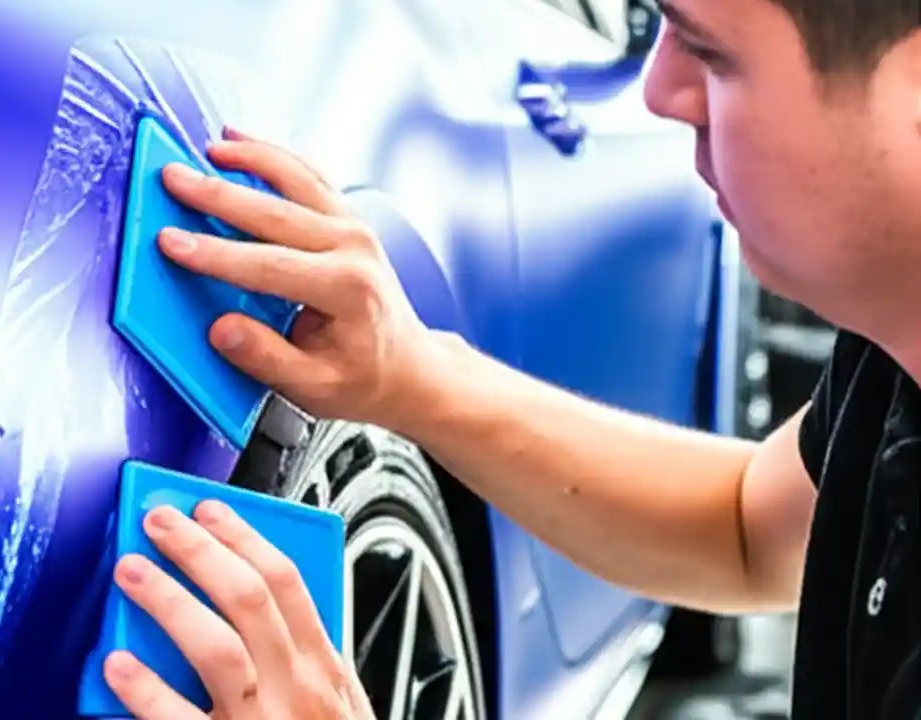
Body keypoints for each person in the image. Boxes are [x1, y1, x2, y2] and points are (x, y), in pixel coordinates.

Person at [98, 0, 921, 717]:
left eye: (710, 52)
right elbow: (745, 527)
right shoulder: (892, 350)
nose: (659, 91)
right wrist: (413, 375)